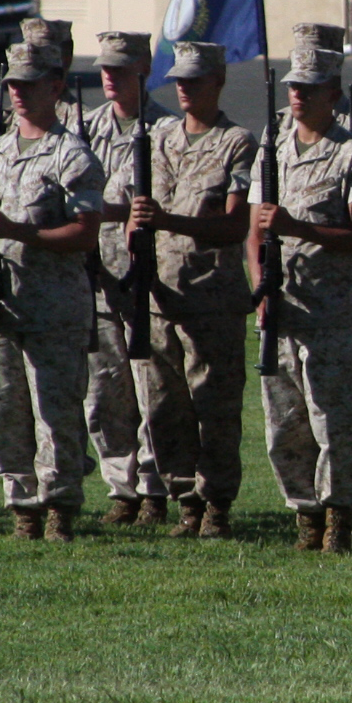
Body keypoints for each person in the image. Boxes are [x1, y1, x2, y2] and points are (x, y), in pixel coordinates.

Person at [0, 40, 105, 539]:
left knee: (56, 412)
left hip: (56, 308)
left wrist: (20, 232)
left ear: (56, 88)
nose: (18, 94)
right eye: (12, 85)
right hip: (2, 306)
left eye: (29, 84)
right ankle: (22, 507)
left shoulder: (73, 156)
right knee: (0, 411)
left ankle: (61, 507)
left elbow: (86, 234)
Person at [248, 40, 352, 552]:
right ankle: (304, 515)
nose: (297, 96)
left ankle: (339, 517)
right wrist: (260, 281)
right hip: (284, 310)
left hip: (333, 313)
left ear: (332, 93)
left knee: (336, 423)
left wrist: (297, 226)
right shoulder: (273, 151)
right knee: (285, 427)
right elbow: (256, 229)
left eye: (308, 88)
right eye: (292, 88)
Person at [127, 40, 255, 537]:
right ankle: (184, 498)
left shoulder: (237, 142)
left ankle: (216, 503)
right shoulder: (157, 138)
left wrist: (168, 221)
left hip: (212, 299)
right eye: (179, 80)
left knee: (215, 407)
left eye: (194, 80)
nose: (184, 88)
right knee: (163, 406)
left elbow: (234, 226)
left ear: (217, 81)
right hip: (160, 298)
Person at [79, 31, 168, 525]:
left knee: (148, 387)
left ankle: (154, 487)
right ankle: (122, 488)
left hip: (143, 281)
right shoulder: (84, 129)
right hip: (94, 279)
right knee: (104, 390)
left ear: (144, 70)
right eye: (105, 68)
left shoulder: (164, 131)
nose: (110, 77)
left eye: (121, 68)